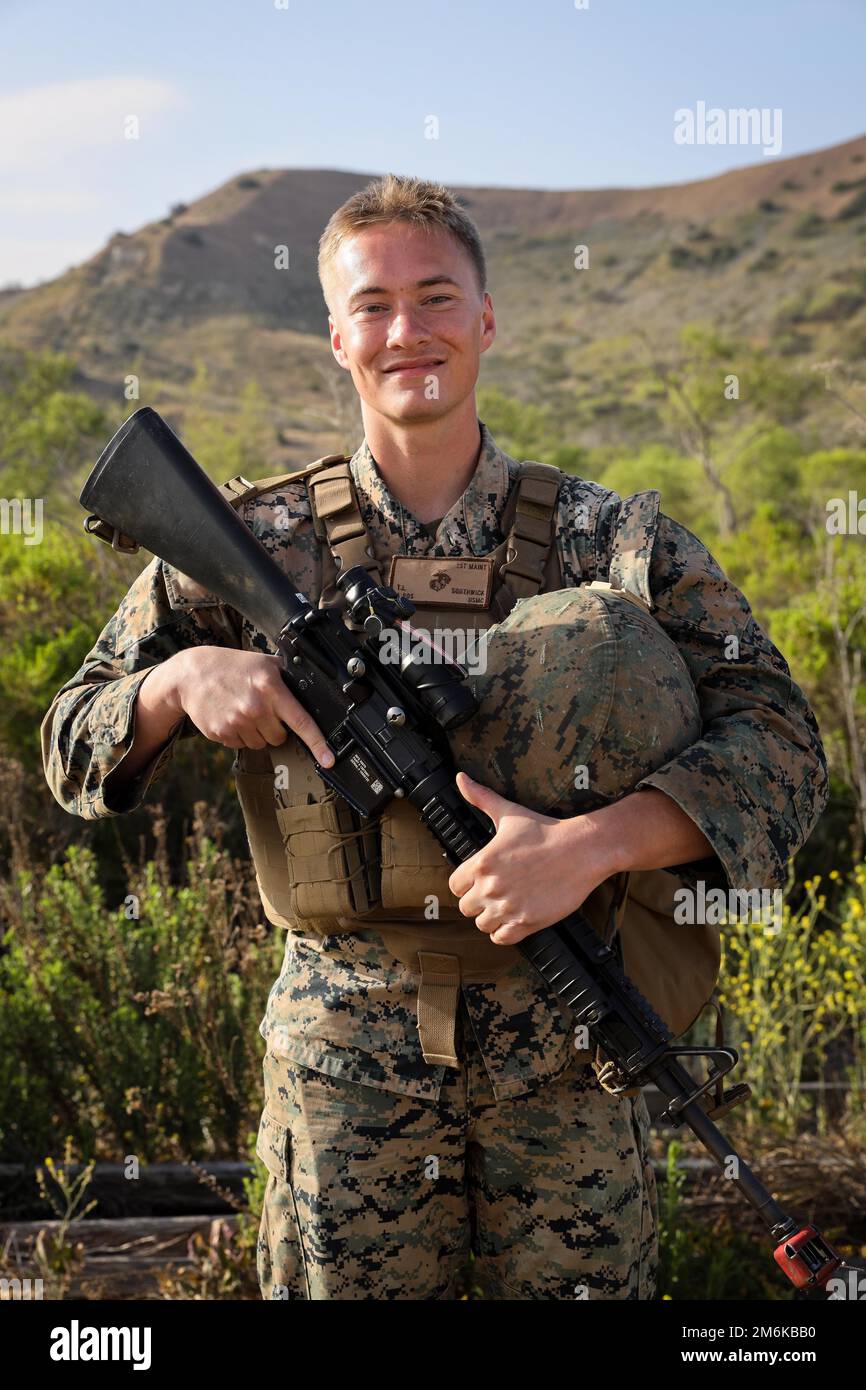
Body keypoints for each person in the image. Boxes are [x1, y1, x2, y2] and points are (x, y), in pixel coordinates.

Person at [42, 174, 828, 1301]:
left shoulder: (606, 537)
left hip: (566, 1051)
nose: (406, 330)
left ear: (486, 318)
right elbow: (67, 739)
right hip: (339, 1064)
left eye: (436, 296)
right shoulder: (254, 539)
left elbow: (783, 741)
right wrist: (177, 683)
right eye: (372, 305)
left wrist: (595, 845)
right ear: (334, 334)